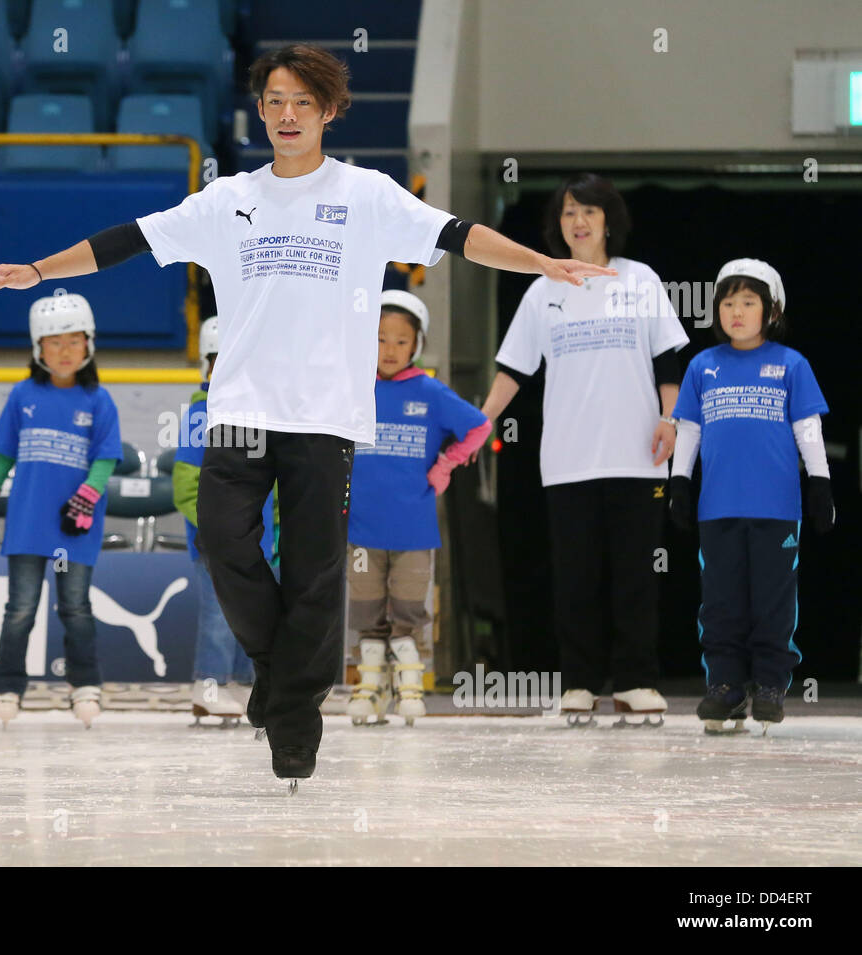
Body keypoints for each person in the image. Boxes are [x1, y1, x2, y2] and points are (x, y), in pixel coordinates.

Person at [0, 45, 612, 783]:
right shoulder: (227, 199)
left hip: (327, 415)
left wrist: (544, 262)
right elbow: (130, 240)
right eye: (274, 101)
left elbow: (457, 236)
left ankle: (294, 723)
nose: (286, 114)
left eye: (302, 102)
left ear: (329, 112)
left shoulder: (367, 195)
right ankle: (278, 674)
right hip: (239, 407)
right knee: (222, 538)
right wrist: (39, 270)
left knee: (314, 571)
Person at [479, 173, 687, 726]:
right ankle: (578, 684)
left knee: (636, 575)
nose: (578, 221)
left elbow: (669, 361)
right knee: (574, 577)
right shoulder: (543, 289)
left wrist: (670, 418)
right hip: (568, 460)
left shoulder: (640, 280)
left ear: (608, 221)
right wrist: (481, 421)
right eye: (569, 211)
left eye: (589, 211)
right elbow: (514, 369)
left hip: (637, 456)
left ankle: (637, 681)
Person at [669, 259, 832, 733]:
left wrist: (819, 483)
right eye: (727, 302)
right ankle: (724, 685)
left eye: (748, 302)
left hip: (776, 509)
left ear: (771, 310)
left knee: (772, 599)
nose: (736, 311)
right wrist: (680, 481)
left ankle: (768, 683)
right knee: (720, 601)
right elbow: (690, 429)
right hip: (717, 508)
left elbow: (808, 428)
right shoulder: (703, 366)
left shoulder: (791, 364)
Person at [0, 291, 122, 729]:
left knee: (74, 607)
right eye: (53, 343)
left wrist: (86, 498)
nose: (63, 351)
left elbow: (106, 458)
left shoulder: (99, 401)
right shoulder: (22, 395)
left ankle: (85, 685)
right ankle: (7, 687)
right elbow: (3, 453)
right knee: (20, 608)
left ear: (88, 345)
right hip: (26, 525)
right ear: (37, 348)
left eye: (73, 341)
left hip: (75, 528)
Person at [346, 291, 489, 726]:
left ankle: (410, 685)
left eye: (400, 341)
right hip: (360, 530)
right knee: (366, 615)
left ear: (417, 345)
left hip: (413, 529)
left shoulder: (430, 392)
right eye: (380, 338)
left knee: (409, 612)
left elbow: (479, 427)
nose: (389, 350)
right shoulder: (350, 386)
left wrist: (445, 465)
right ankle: (369, 689)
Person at [172, 316, 277, 726]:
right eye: (222, 361)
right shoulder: (201, 416)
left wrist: (279, 529)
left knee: (249, 615)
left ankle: (240, 685)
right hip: (215, 546)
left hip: (260, 544)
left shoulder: (266, 420)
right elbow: (185, 486)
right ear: (207, 365)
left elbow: (277, 487)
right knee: (218, 616)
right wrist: (220, 529)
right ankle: (208, 686)